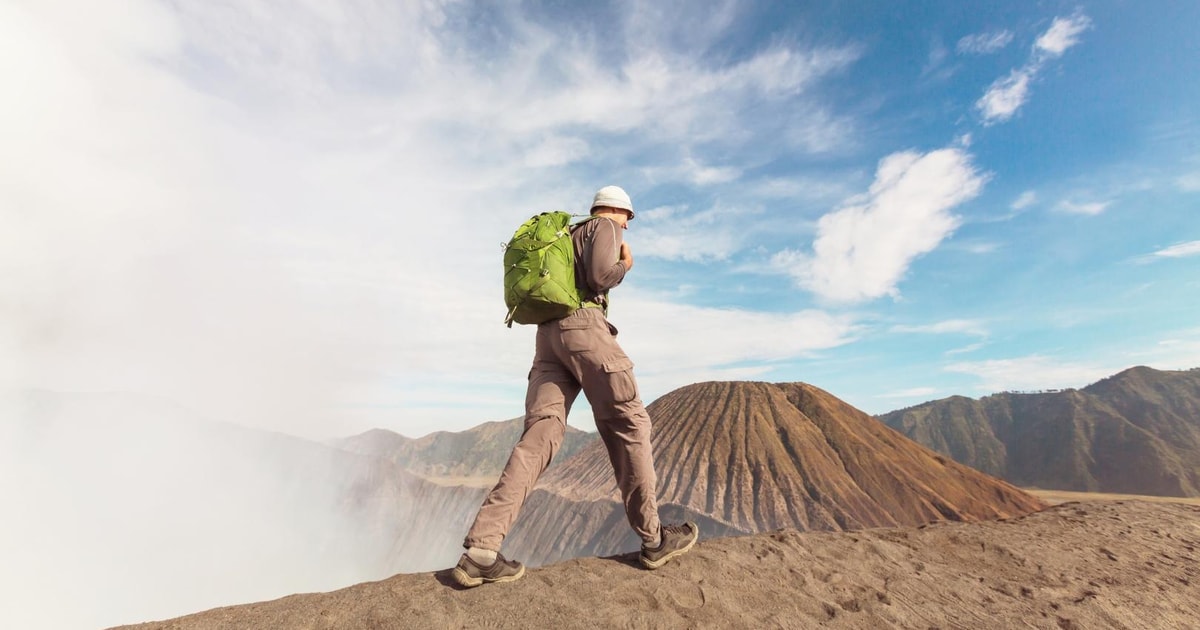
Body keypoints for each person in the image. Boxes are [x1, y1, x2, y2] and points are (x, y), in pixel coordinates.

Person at [452, 185, 699, 588]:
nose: (626, 227)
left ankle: (481, 550)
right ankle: (654, 540)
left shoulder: (567, 234)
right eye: (628, 221)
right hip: (584, 330)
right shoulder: (604, 226)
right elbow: (602, 275)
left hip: (548, 339)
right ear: (623, 213)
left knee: (539, 437)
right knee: (630, 425)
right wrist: (625, 267)